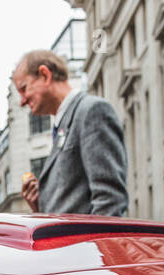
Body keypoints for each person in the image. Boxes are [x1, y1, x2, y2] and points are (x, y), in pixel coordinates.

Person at [13, 49, 128, 218]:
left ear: (45, 75)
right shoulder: (63, 125)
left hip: (84, 244)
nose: (22, 101)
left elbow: (109, 200)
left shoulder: (91, 111)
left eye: (24, 89)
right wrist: (42, 203)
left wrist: (89, 245)